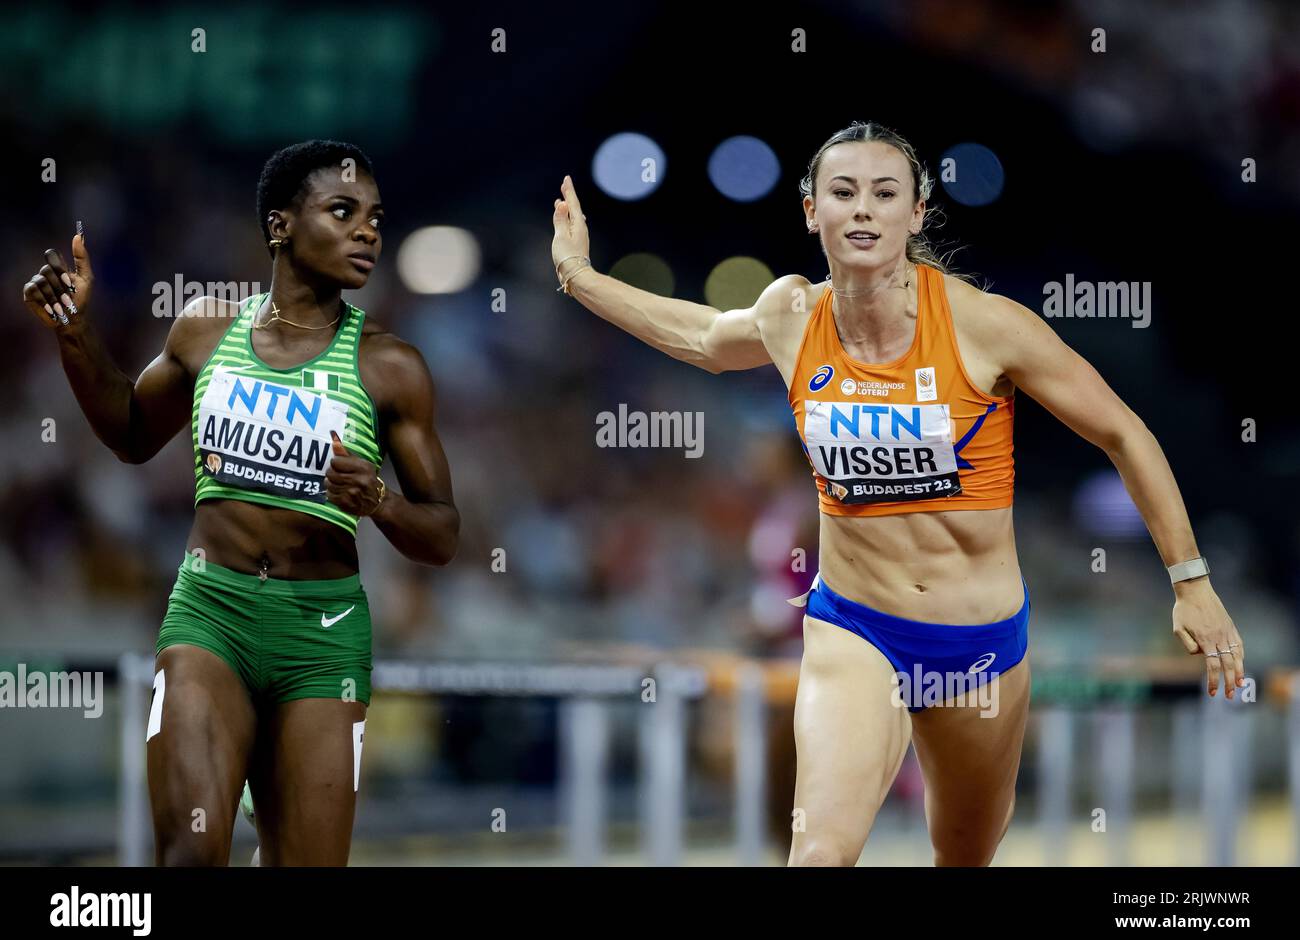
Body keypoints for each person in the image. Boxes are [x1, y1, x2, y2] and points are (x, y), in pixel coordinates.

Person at [549, 120, 1243, 866]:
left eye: (886, 194)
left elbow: (1125, 433)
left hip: (980, 648)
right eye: (843, 193)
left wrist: (1190, 581)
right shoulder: (792, 314)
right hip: (856, 629)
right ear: (812, 211)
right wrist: (582, 278)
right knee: (819, 855)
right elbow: (706, 337)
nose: (864, 210)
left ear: (916, 214)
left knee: (963, 855)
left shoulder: (984, 327)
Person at [22, 139, 460, 866]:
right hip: (211, 614)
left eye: (376, 218)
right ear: (281, 225)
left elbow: (442, 534)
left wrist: (379, 500)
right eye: (344, 212)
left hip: (322, 638)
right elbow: (131, 434)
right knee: (188, 854)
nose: (368, 232)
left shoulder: (390, 368)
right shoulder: (205, 327)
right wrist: (75, 336)